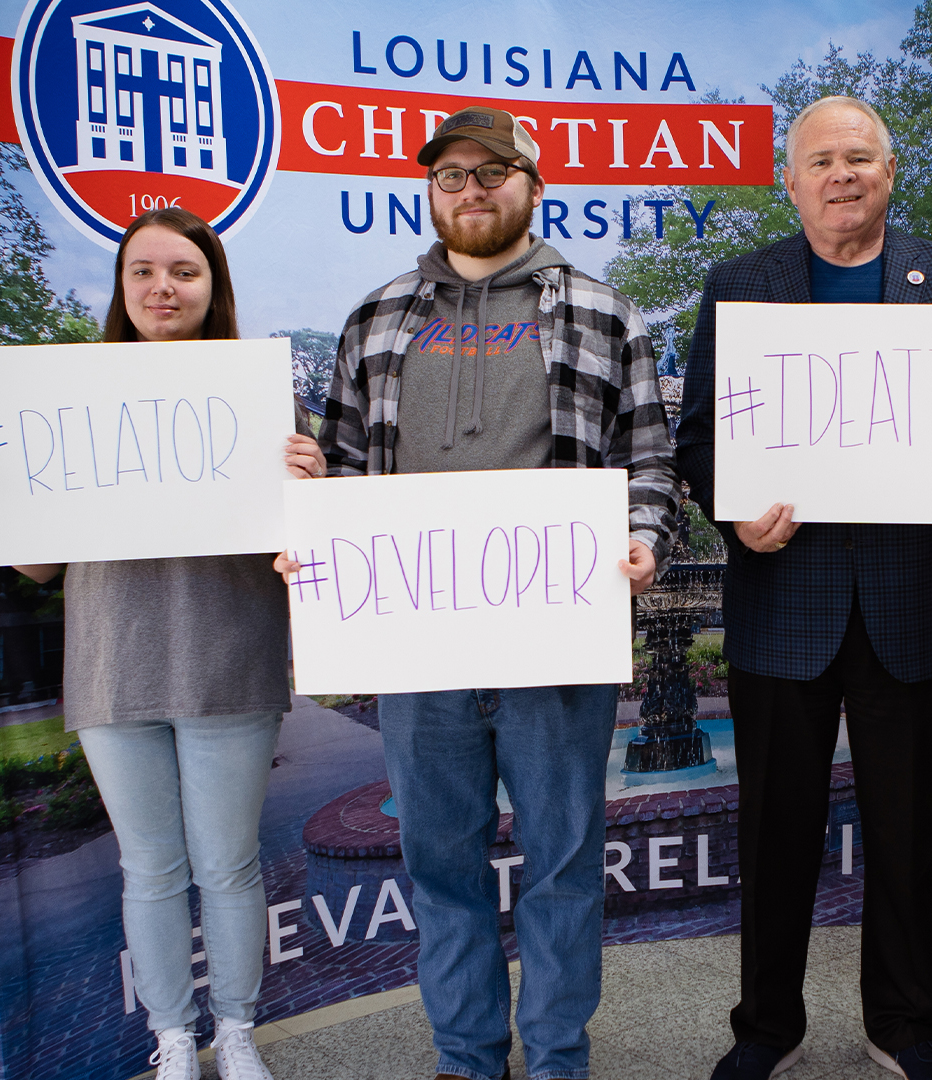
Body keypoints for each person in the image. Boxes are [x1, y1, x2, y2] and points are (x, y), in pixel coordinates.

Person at [279, 107, 679, 1080]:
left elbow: (649, 458)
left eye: (490, 172)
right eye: (449, 175)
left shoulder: (603, 312)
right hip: (419, 655)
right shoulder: (376, 320)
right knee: (444, 873)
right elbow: (335, 466)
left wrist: (641, 539)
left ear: (533, 186)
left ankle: (554, 1061)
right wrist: (306, 526)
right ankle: (466, 1060)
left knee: (563, 870)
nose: (469, 190)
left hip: (558, 645)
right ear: (430, 191)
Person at [0, 207, 322, 1080]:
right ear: (121, 289)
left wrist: (313, 492)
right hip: (113, 662)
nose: (162, 287)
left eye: (183, 270)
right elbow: (36, 568)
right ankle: (174, 1038)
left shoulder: (265, 398)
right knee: (149, 869)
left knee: (226, 865)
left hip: (230, 658)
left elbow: (298, 549)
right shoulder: (64, 400)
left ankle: (236, 1031)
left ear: (213, 284)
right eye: (142, 271)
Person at [676, 95, 932, 1080]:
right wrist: (732, 508)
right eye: (820, 160)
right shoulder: (742, 284)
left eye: (860, 157)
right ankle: (765, 1028)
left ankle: (903, 1024)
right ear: (791, 180)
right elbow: (700, 434)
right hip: (785, 602)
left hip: (915, 600)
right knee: (774, 834)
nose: (841, 175)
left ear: (891, 171)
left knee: (907, 836)